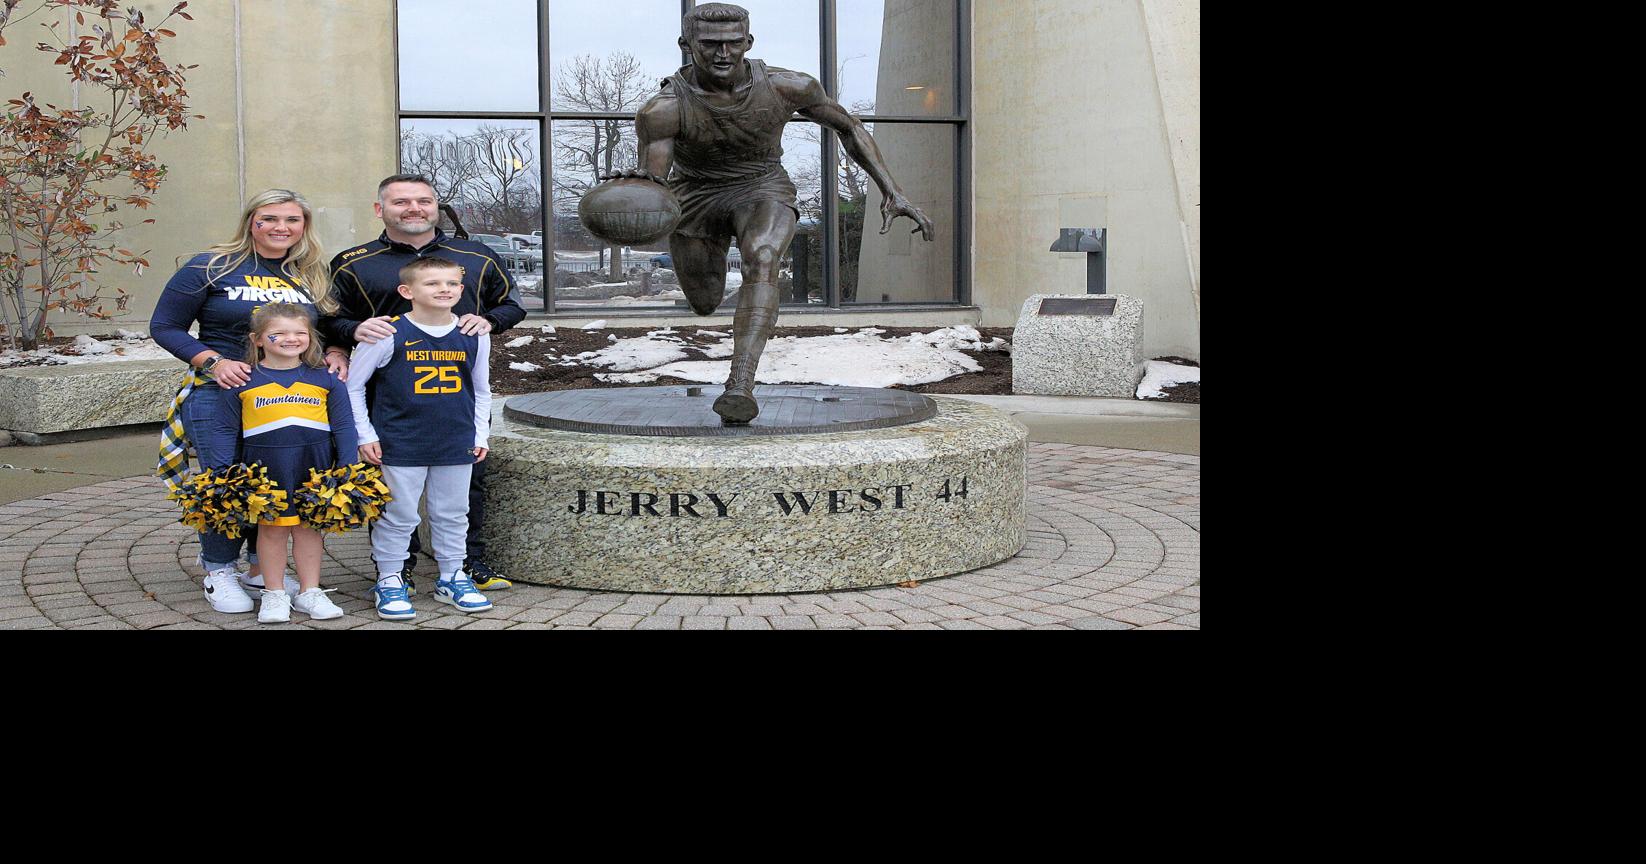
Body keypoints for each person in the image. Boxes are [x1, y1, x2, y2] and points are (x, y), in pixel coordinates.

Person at [617, 2, 932, 424]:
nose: (723, 54)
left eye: (733, 43)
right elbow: (657, 182)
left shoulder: (789, 86)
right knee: (705, 301)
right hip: (695, 194)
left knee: (763, 258)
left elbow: (850, 126)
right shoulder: (663, 110)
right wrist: (634, 190)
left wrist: (891, 190)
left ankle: (740, 383)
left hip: (761, 185)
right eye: (710, 44)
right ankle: (746, 313)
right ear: (686, 44)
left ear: (748, 42)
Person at [320, 174, 524, 594]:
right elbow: (325, 318)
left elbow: (512, 305)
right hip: (389, 393)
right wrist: (352, 333)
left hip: (454, 392)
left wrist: (490, 320)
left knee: (467, 486)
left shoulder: (477, 255)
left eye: (423, 200)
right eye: (401, 202)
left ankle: (468, 564)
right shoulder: (352, 262)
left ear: (436, 206)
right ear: (381, 209)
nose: (413, 208)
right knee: (396, 492)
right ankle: (398, 570)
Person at [152, 189, 348, 614]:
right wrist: (212, 360)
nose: (282, 228)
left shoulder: (310, 273)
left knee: (276, 480)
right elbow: (165, 325)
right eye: (270, 218)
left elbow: (328, 328)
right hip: (219, 393)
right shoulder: (210, 266)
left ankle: (261, 568)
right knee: (225, 482)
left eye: (292, 220)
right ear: (251, 222)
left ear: (304, 227)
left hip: (288, 398)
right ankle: (218, 569)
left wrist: (335, 352)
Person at [345, 258, 494, 620]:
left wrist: (480, 434)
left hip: (455, 440)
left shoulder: (474, 334)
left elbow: (482, 390)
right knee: (398, 515)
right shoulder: (387, 333)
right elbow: (353, 387)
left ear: (461, 289)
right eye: (432, 283)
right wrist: (365, 435)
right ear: (407, 292)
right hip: (400, 441)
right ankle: (391, 578)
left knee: (452, 513)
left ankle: (451, 575)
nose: (444, 289)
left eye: (451, 283)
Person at [203, 304, 359, 623]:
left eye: (300, 333)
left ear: (311, 337)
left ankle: (309, 591)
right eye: (280, 333)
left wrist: (346, 465)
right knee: (272, 530)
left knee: (308, 529)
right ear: (258, 339)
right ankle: (273, 594)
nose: (292, 339)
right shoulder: (243, 380)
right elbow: (223, 428)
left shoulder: (325, 377)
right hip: (266, 470)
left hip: (313, 469)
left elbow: (344, 425)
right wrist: (223, 470)